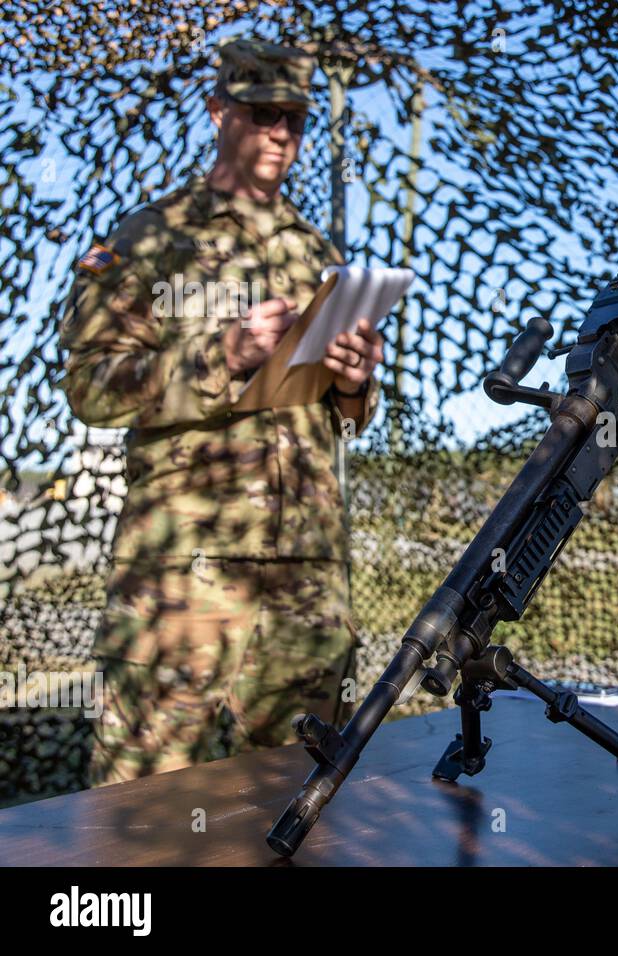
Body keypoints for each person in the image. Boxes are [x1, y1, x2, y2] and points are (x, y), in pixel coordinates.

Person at [59, 38, 383, 785]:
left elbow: (343, 414)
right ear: (218, 112)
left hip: (304, 579)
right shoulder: (149, 241)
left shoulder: (315, 252)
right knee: (139, 809)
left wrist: (356, 381)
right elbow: (90, 384)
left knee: (298, 802)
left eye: (295, 118)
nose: (281, 133)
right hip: (181, 578)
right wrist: (219, 355)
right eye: (262, 112)